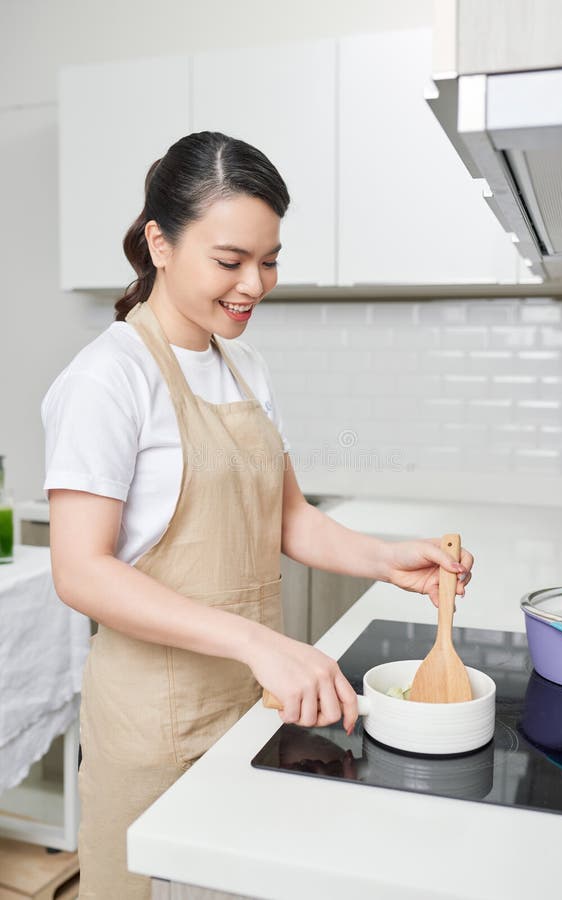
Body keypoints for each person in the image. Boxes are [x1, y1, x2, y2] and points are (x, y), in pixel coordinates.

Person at [41, 131, 474, 898]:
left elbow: (288, 520)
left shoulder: (245, 366)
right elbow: (81, 571)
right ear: (160, 243)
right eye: (230, 260)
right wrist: (260, 644)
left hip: (251, 706)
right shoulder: (109, 377)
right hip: (154, 728)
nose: (255, 284)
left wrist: (385, 559)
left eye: (269, 259)